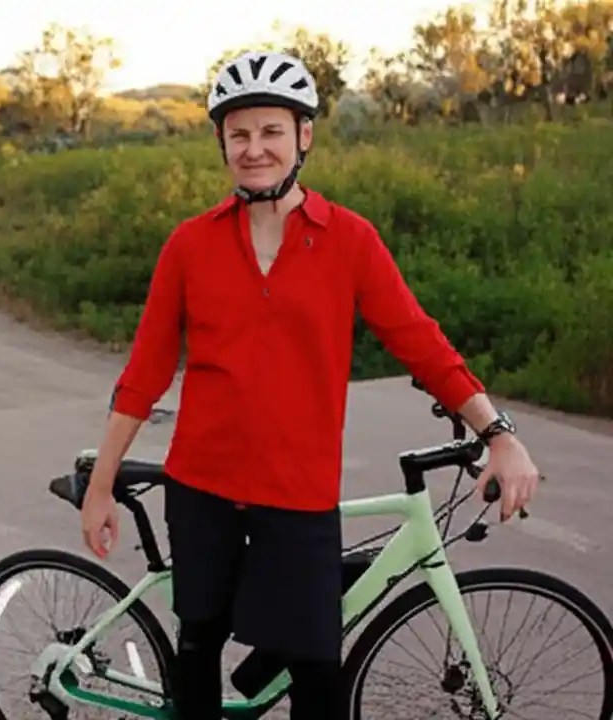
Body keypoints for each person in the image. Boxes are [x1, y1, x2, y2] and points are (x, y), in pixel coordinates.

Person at [78, 50, 542, 719]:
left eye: (271, 131)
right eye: (239, 134)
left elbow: (421, 343)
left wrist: (498, 434)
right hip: (202, 489)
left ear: (304, 136)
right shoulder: (190, 245)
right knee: (198, 649)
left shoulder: (349, 239)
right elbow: (144, 376)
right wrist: (101, 486)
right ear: (222, 143)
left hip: (299, 496)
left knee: (318, 678)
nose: (254, 148)